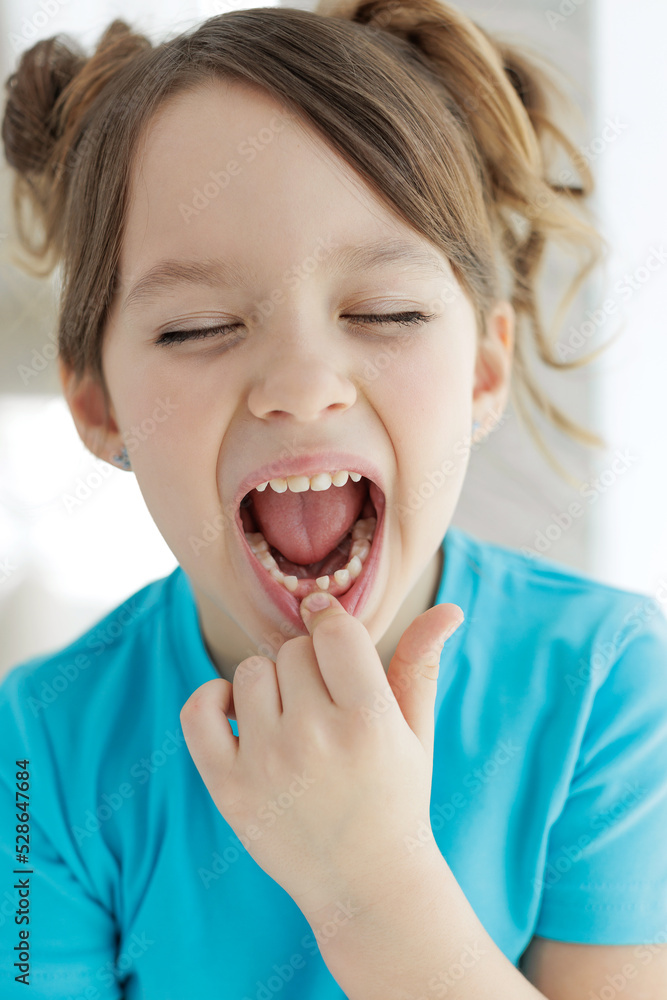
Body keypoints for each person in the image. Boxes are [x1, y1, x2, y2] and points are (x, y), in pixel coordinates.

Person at [1, 1, 666, 996]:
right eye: (196, 327)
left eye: (385, 312)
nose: (302, 384)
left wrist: (372, 886)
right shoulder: (38, 748)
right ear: (98, 404)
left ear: (484, 370)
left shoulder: (605, 686)